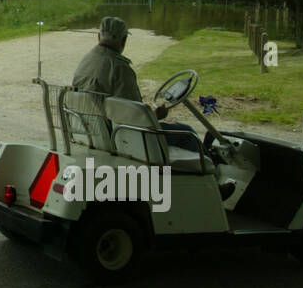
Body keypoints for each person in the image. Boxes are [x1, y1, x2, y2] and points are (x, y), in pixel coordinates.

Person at [72, 17, 235, 199]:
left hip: (97, 129)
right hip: (123, 134)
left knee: (180, 131)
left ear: (98, 36)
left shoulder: (86, 60)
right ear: (124, 40)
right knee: (188, 133)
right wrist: (156, 114)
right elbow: (135, 115)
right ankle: (214, 187)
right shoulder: (119, 67)